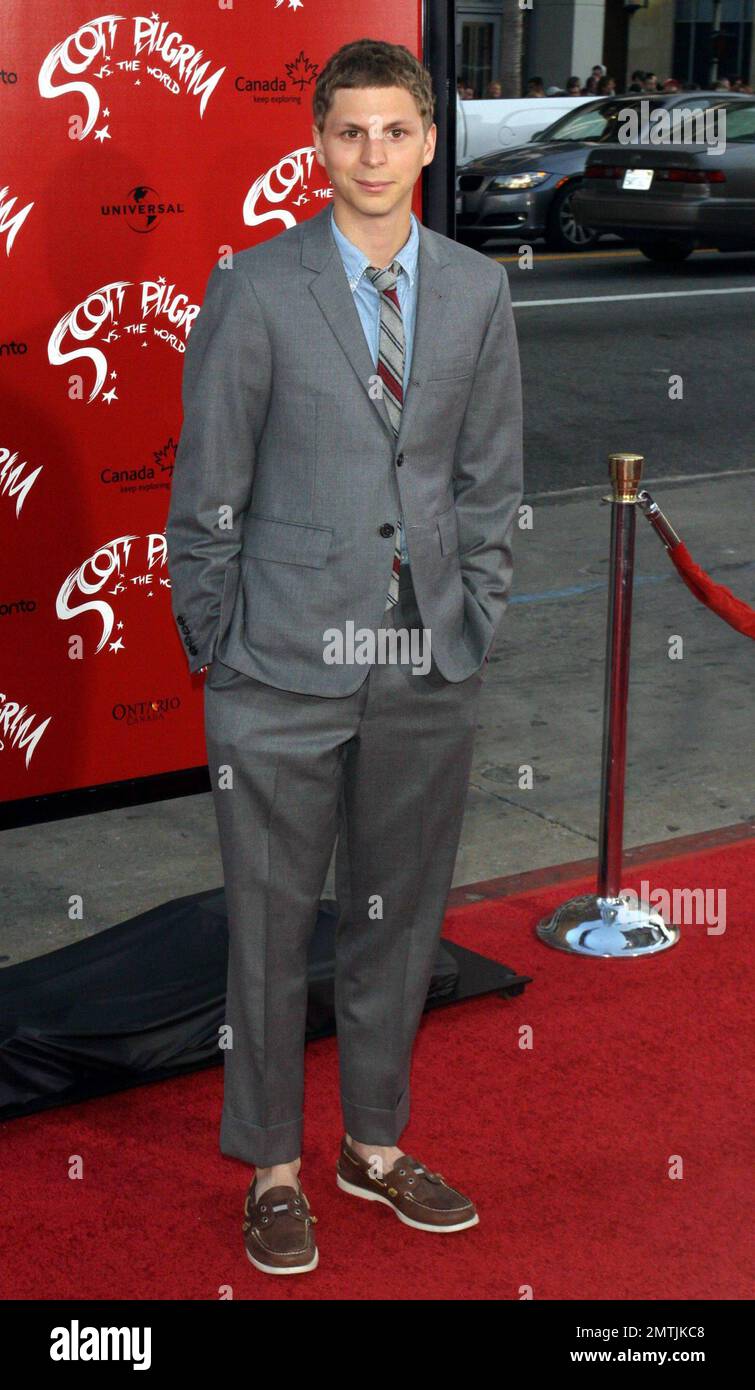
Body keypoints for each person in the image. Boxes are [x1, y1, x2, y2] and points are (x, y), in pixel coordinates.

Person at [165, 36, 523, 1275]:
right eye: (348, 131)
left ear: (428, 144)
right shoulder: (257, 289)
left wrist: (468, 618)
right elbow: (206, 486)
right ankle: (270, 1165)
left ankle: (372, 1146)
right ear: (317, 147)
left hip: (422, 662)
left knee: (396, 918)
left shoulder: (477, 291)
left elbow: (488, 481)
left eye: (394, 131)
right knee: (267, 928)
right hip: (276, 663)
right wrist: (218, 647)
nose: (372, 154)